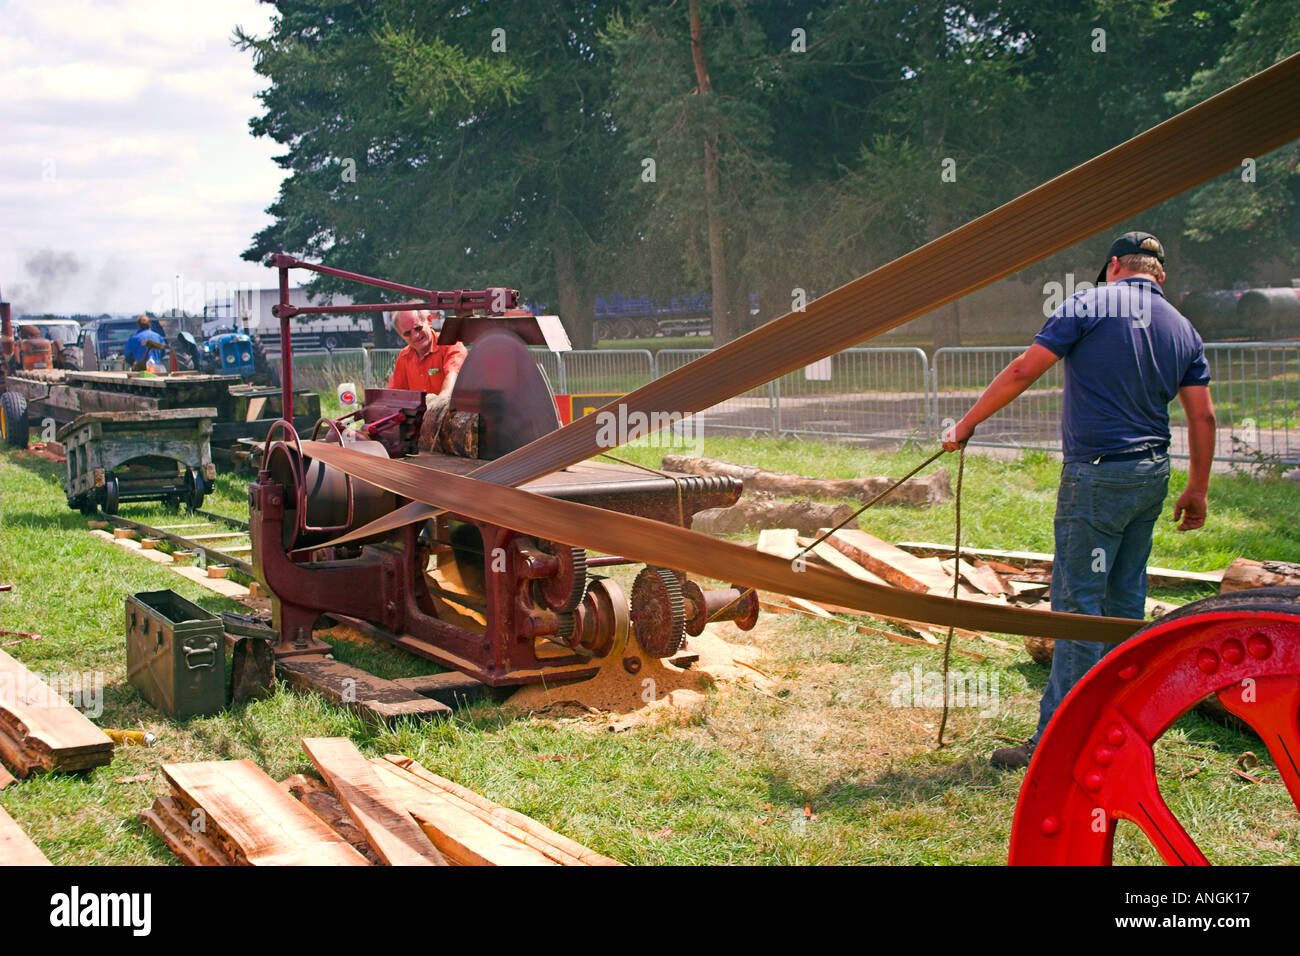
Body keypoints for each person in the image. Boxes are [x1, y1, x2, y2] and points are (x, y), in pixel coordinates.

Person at [940, 231, 1217, 769]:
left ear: (1114, 266)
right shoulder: (1183, 328)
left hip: (1097, 478)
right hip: (1151, 475)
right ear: (1159, 276)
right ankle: (1119, 732)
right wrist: (1198, 488)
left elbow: (1024, 370)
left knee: (1077, 608)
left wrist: (966, 425)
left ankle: (1058, 743)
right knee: (1124, 605)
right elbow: (1202, 416)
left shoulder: (1088, 303)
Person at [387, 309, 468, 449]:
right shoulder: (404, 357)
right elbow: (393, 395)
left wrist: (438, 405)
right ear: (401, 335)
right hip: (421, 432)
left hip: (451, 427)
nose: (415, 336)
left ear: (429, 320)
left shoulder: (451, 345)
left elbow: (452, 375)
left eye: (418, 328)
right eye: (407, 333)